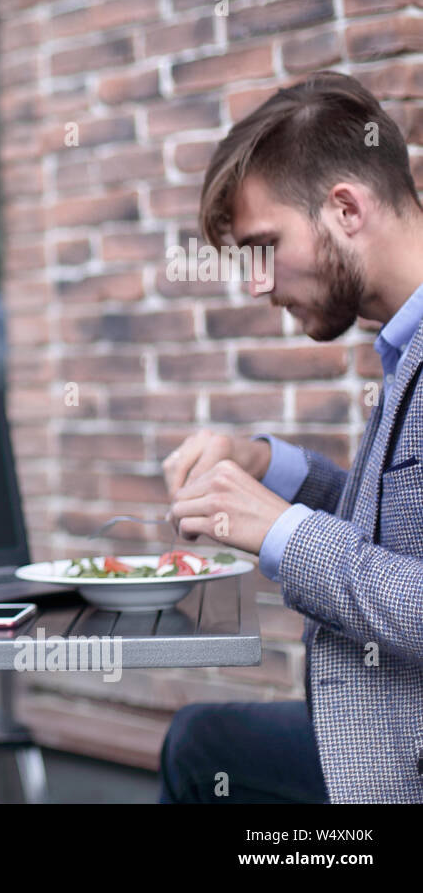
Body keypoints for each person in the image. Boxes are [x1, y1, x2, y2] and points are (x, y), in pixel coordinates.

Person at [158, 71, 423, 803]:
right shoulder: (405, 345)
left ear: (345, 208)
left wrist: (283, 532)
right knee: (197, 746)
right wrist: (266, 464)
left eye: (264, 245)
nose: (256, 283)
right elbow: (395, 534)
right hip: (378, 743)